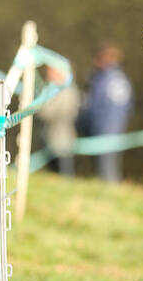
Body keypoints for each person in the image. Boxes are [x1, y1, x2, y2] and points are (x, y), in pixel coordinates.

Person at [78, 44, 134, 183]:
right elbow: (129, 107)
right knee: (112, 165)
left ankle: (109, 197)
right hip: (118, 129)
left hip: (101, 130)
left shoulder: (101, 79)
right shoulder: (123, 79)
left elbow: (93, 107)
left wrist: (83, 125)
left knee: (104, 169)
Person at [38, 63, 81, 176]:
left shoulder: (67, 92)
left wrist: (36, 107)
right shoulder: (51, 89)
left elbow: (51, 113)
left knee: (63, 175)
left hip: (61, 142)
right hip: (50, 141)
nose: (49, 74)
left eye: (52, 71)